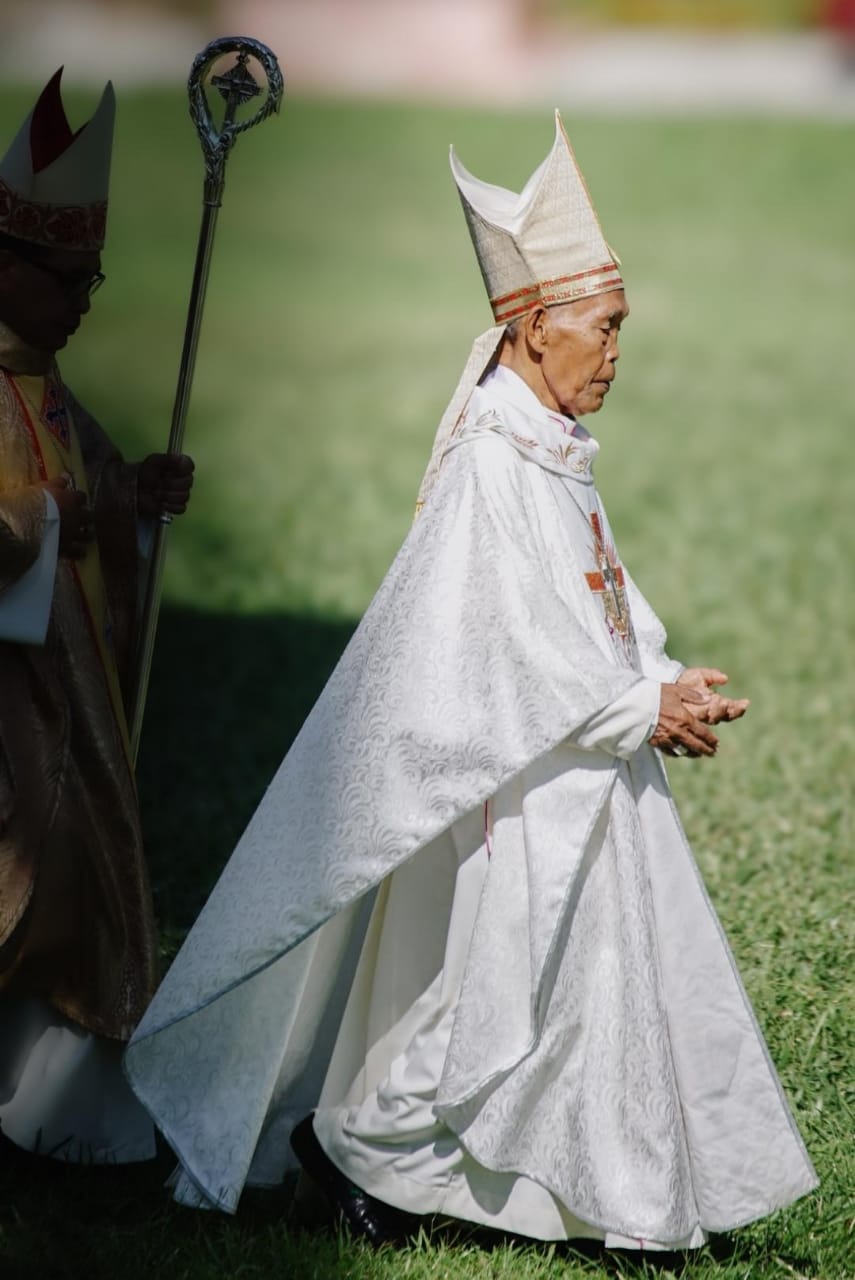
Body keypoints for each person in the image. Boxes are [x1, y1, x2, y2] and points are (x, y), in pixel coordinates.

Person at [125, 112, 816, 1249]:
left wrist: (657, 669)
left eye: (623, 326)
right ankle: (371, 1146)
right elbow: (514, 645)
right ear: (537, 325)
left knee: (578, 978)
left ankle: (595, 1192)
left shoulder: (551, 441)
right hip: (519, 765)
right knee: (502, 977)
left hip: (580, 750)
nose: (617, 352)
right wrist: (640, 702)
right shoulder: (497, 456)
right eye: (604, 326)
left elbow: (592, 598)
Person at [0, 69, 193, 1163]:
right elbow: (29, 516)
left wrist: (133, 497)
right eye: (66, 276)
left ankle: (52, 1108)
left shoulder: (50, 388)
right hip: (12, 698)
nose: (84, 298)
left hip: (69, 692)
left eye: (93, 276)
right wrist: (44, 520)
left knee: (73, 886)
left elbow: (91, 495)